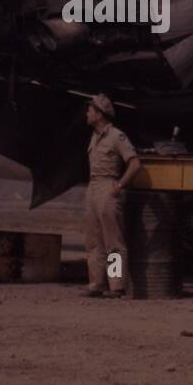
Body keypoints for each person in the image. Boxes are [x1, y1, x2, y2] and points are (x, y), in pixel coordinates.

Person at [82, 94, 142, 298]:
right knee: (93, 240)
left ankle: (116, 286)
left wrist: (119, 186)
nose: (87, 114)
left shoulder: (117, 136)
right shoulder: (94, 137)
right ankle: (96, 284)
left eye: (90, 110)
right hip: (93, 187)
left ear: (99, 114)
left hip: (108, 187)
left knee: (113, 241)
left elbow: (134, 164)